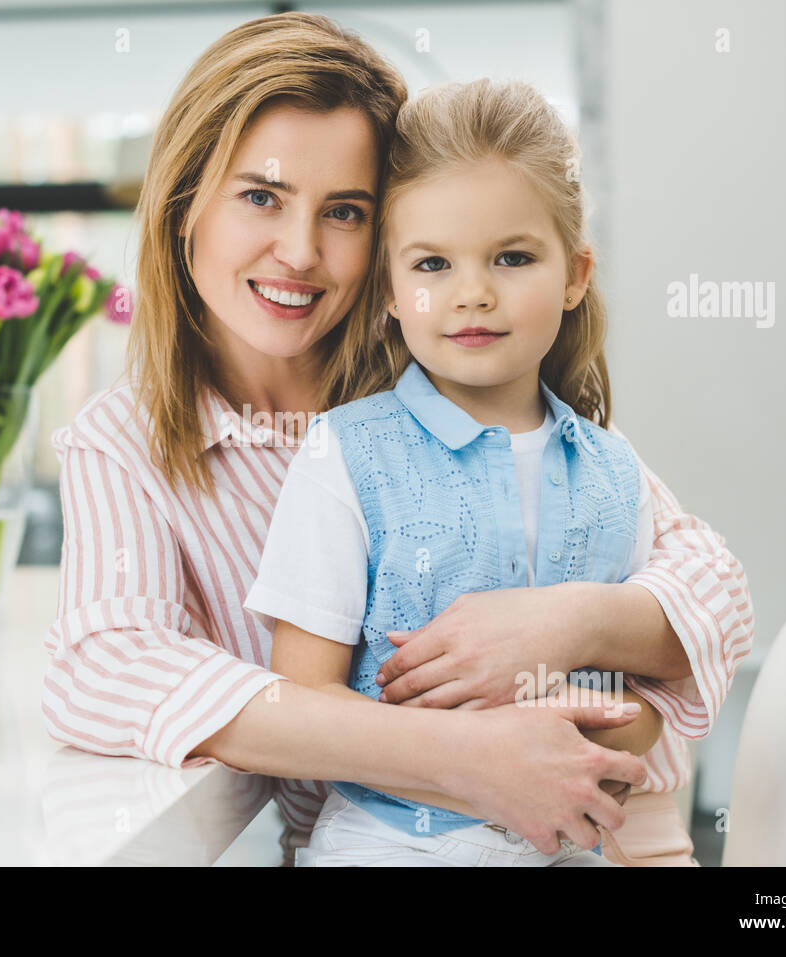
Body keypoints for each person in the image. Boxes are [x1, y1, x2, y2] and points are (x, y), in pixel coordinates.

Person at [43, 12, 753, 867]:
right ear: (186, 203)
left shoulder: (455, 368)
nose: (300, 251)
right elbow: (109, 667)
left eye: (344, 211)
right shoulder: (122, 445)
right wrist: (468, 759)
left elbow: (711, 583)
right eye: (261, 196)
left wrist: (562, 625)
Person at [251, 76, 676, 867]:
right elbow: (300, 701)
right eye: (433, 263)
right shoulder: (344, 455)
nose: (473, 293)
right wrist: (477, 754)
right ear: (388, 288)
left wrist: (592, 727)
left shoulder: (617, 470)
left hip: (572, 846)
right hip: (389, 849)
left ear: (576, 275)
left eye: (513, 257)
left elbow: (648, 696)